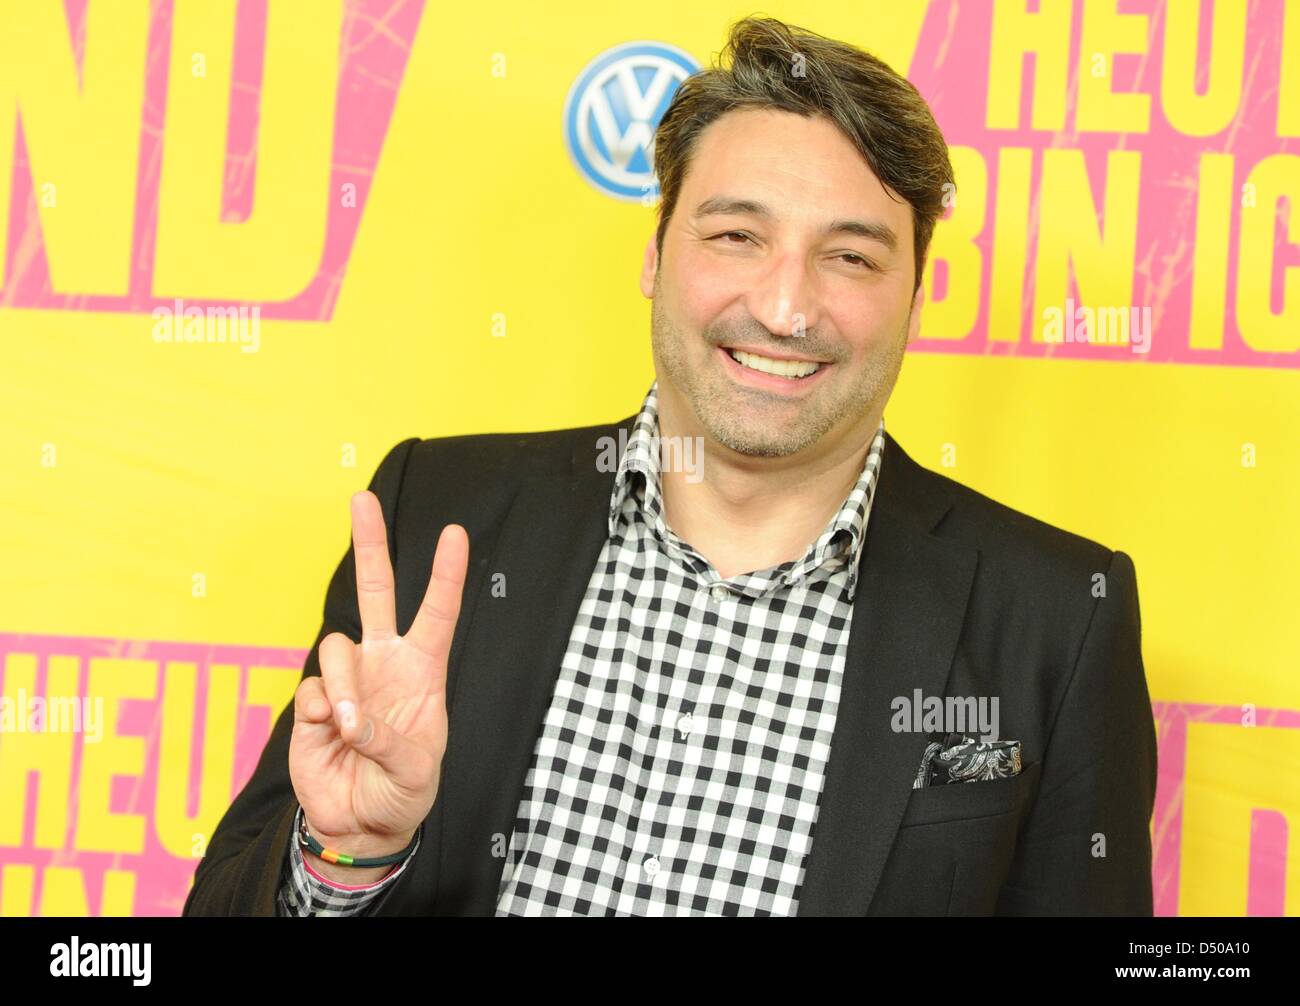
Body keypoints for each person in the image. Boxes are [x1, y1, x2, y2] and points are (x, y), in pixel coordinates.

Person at [183, 16, 1156, 917]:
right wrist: (346, 853)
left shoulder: (1057, 616)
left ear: (913, 296)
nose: (785, 308)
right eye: (737, 235)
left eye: (851, 258)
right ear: (654, 255)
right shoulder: (439, 515)